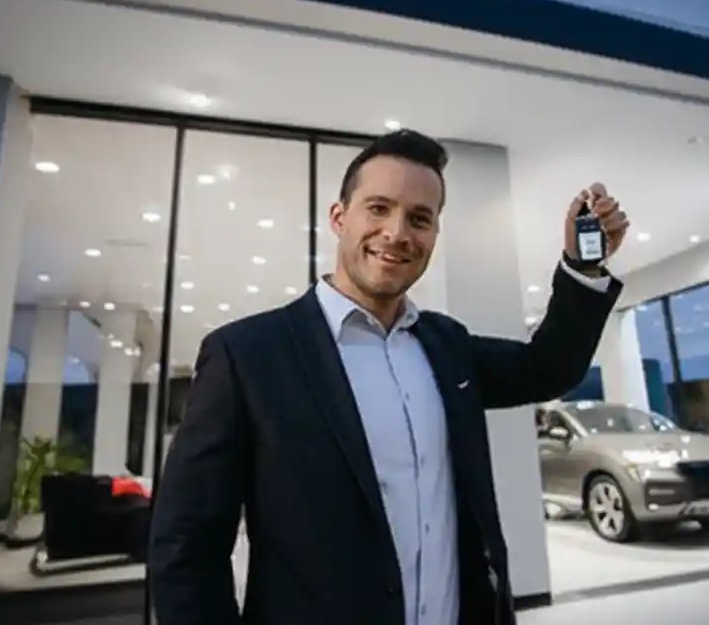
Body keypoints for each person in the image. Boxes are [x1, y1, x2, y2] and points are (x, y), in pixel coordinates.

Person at [148, 129, 629, 625]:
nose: (398, 233)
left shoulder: (447, 346)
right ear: (339, 218)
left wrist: (582, 266)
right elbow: (187, 547)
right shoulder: (247, 356)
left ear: (434, 237)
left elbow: (546, 369)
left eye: (419, 219)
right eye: (378, 208)